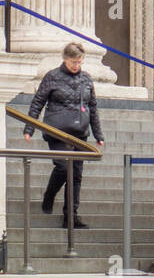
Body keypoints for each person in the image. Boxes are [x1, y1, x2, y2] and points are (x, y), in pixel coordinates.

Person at [23, 43, 105, 228]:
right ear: (65, 59)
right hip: (57, 131)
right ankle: (50, 195)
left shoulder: (86, 79)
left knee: (75, 175)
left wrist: (98, 134)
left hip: (79, 133)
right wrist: (30, 128)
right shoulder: (52, 76)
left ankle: (71, 216)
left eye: (80, 61)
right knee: (62, 167)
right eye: (73, 61)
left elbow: (92, 107)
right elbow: (38, 102)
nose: (76, 65)